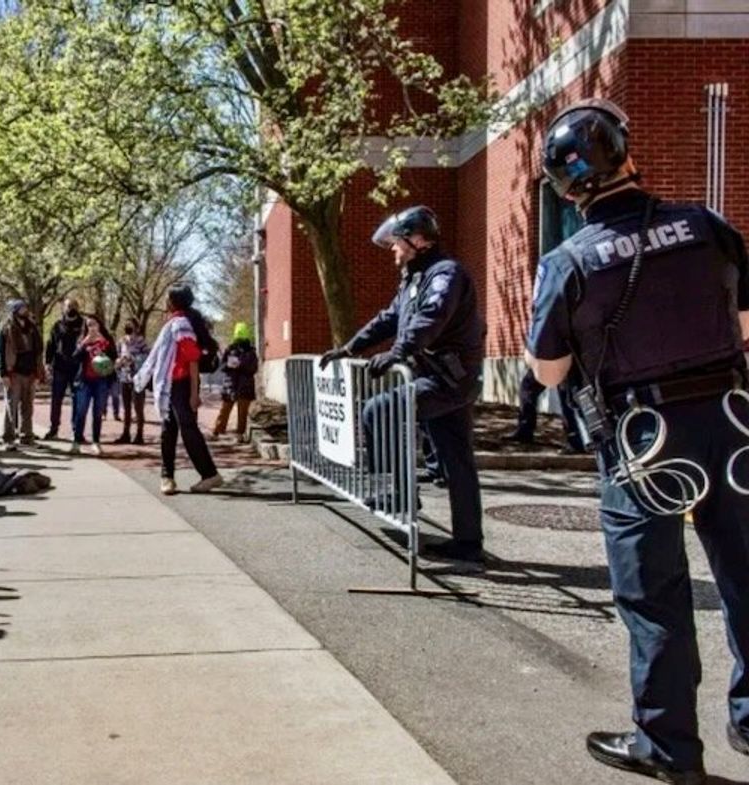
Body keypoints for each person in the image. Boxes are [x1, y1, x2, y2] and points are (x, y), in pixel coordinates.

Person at [527, 98, 749, 783]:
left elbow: (547, 369)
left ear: (565, 188)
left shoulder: (569, 261)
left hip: (643, 440)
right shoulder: (706, 226)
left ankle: (668, 743)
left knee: (653, 594)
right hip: (732, 422)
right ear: (627, 154)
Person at [320, 205, 485, 566]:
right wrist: (349, 347)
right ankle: (469, 542)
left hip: (448, 380)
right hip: (438, 378)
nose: (393, 251)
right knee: (458, 461)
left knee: (379, 410)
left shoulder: (445, 274)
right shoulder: (414, 279)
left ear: (418, 240)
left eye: (397, 243)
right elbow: (388, 319)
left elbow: (433, 317)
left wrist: (398, 352)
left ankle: (400, 495)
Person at [135, 285, 223, 495]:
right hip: (172, 386)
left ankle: (209, 474)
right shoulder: (177, 322)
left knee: (188, 429)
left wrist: (194, 394)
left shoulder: (180, 325)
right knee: (169, 430)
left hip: (181, 385)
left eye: (167, 298)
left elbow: (192, 359)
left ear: (172, 301)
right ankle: (168, 477)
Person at [504, 367, 585, 453]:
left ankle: (575, 441)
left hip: (558, 359)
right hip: (551, 359)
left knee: (565, 395)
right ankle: (524, 431)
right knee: (528, 387)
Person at [0, 299, 44, 450]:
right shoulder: (7, 329)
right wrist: (3, 373)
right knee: (11, 405)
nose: (25, 311)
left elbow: (38, 350)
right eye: (22, 308)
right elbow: (1, 353)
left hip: (30, 372)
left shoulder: (32, 328)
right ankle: (8, 438)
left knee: (28, 407)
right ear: (14, 310)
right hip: (14, 372)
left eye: (26, 308)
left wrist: (38, 372)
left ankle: (27, 436)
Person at [70, 315, 117, 455]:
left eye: (94, 324)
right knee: (81, 411)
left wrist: (104, 342)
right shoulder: (83, 341)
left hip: (101, 381)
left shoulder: (106, 340)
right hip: (85, 380)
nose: (92, 328)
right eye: (89, 325)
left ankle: (96, 442)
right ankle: (76, 442)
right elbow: (75, 358)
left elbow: (114, 356)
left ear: (99, 325)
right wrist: (85, 342)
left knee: (97, 413)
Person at [44, 297, 84, 440]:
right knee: (56, 399)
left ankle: (77, 431)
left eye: (73, 306)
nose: (70, 308)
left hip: (77, 368)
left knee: (77, 400)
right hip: (60, 366)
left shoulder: (83, 325)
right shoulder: (58, 325)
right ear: (64, 308)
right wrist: (47, 363)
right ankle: (54, 429)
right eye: (68, 306)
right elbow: (50, 345)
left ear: (77, 308)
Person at [212, 322, 259, 440]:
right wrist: (229, 365)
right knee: (225, 409)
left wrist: (240, 366)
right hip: (230, 384)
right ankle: (217, 431)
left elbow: (254, 369)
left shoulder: (251, 352)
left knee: (242, 412)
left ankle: (240, 434)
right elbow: (222, 366)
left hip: (245, 385)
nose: (239, 338)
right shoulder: (230, 349)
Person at [114, 320, 149, 445]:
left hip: (138, 379)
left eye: (131, 325)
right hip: (124, 377)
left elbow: (147, 357)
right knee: (126, 408)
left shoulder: (141, 341)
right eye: (126, 325)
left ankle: (139, 434)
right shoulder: (121, 341)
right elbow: (116, 357)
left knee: (138, 407)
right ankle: (125, 433)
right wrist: (119, 361)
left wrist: (133, 358)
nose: (128, 327)